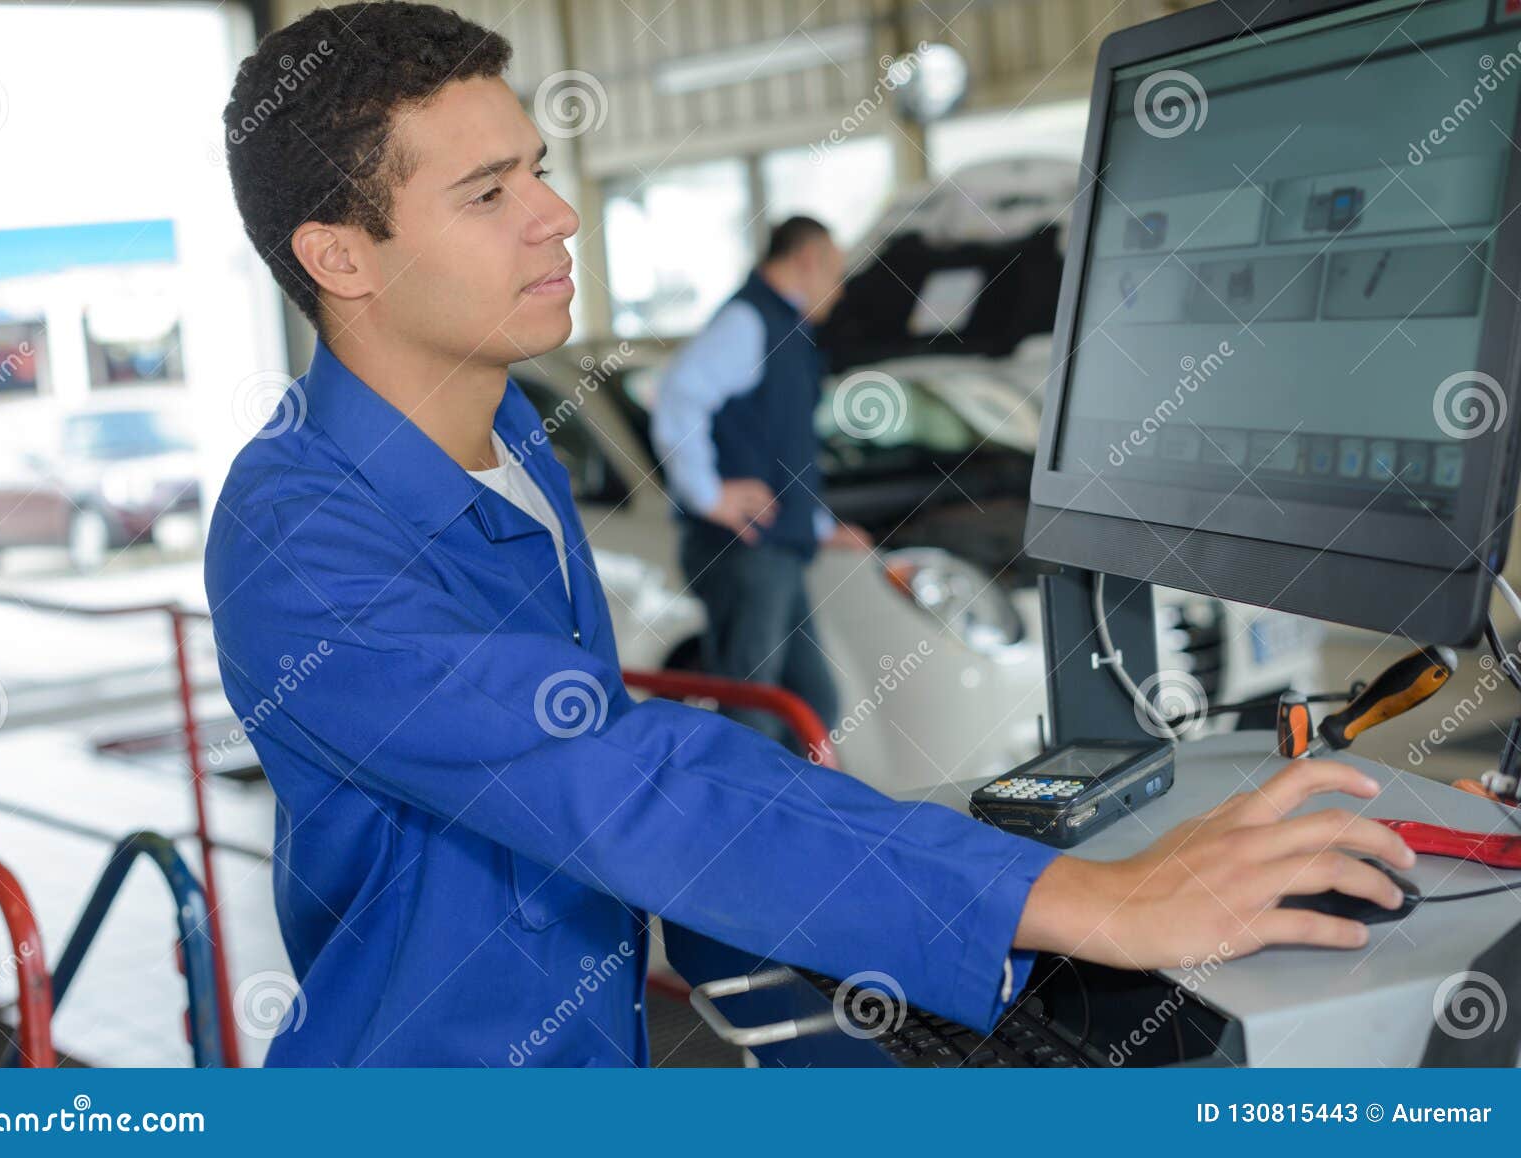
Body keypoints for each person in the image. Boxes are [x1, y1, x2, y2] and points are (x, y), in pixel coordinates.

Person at [207, 2, 1415, 1067]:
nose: (558, 213)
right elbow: (623, 780)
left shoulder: (506, 427)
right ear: (338, 256)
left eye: (537, 168)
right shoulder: (298, 538)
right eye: (488, 193)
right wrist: (1085, 900)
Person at [651, 216, 868, 745]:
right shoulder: (749, 321)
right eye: (836, 276)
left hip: (776, 548)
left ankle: (801, 818)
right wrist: (706, 494)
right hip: (744, 551)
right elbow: (679, 392)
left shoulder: (788, 332)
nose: (839, 294)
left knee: (811, 701)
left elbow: (778, 447)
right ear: (808, 260)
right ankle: (750, 824)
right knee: (752, 706)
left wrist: (816, 526)